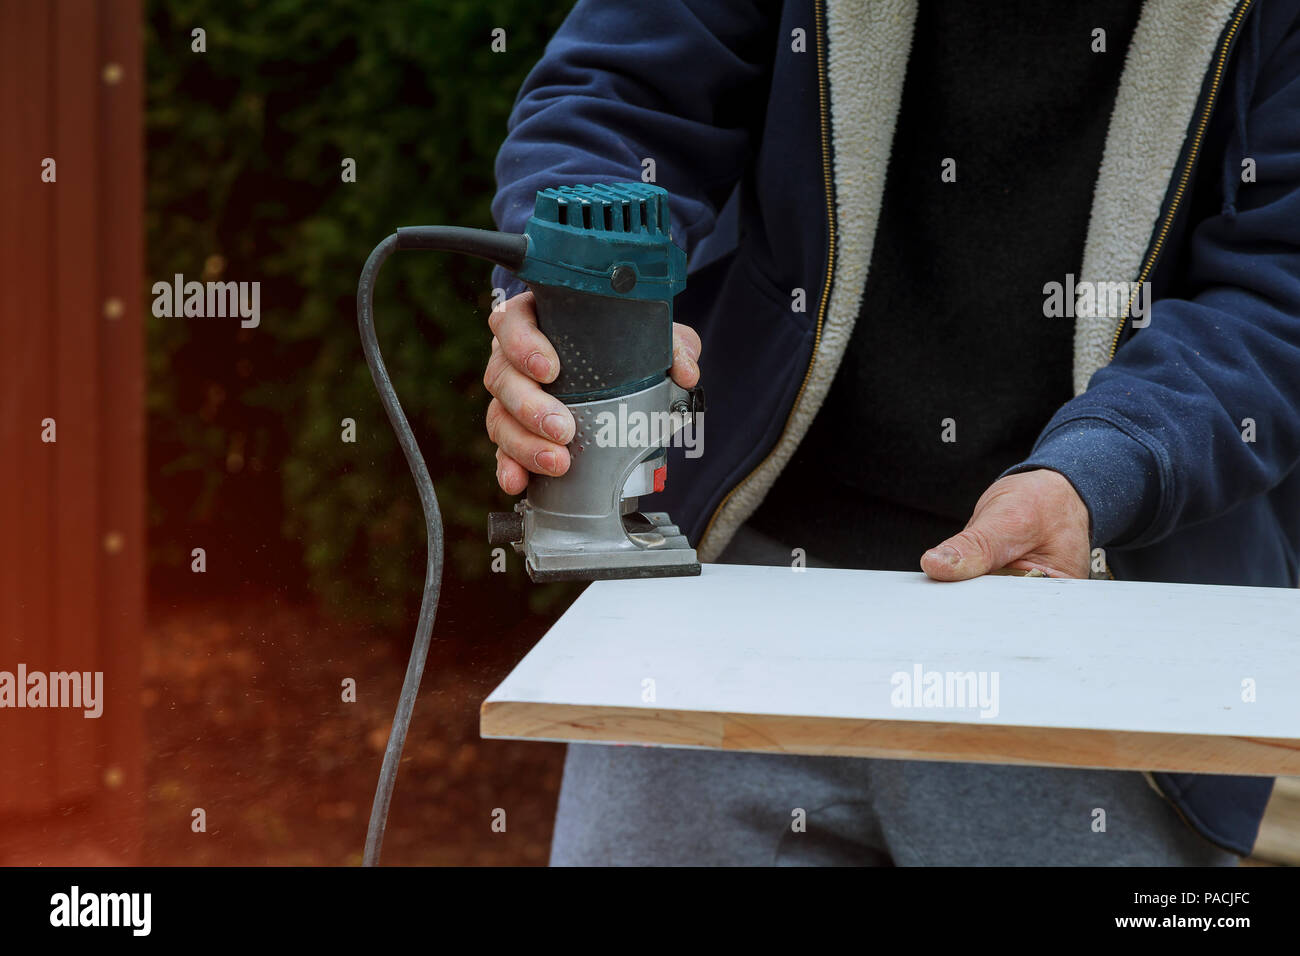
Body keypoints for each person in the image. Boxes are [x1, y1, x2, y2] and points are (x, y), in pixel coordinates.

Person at [483, 0, 1300, 864]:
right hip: (734, 592)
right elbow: (618, 91)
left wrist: (1104, 470)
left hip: (1089, 619)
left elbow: (1277, 288)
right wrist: (570, 304)